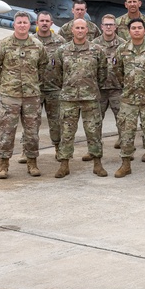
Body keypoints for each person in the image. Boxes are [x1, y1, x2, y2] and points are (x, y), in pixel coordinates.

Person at [0, 11, 48, 179]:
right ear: (14, 25)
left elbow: (43, 66)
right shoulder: (2, 45)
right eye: (19, 23)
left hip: (31, 96)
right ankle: (3, 165)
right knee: (7, 131)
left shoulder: (37, 45)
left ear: (30, 25)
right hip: (10, 95)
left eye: (25, 23)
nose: (22, 25)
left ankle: (32, 163)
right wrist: (4, 86)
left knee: (32, 132)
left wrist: (34, 84)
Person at [52, 18, 108, 178]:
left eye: (83, 28)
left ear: (87, 30)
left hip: (90, 98)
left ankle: (97, 163)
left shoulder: (97, 50)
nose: (80, 30)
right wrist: (67, 86)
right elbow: (56, 74)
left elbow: (102, 73)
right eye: (77, 28)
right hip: (68, 98)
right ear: (72, 30)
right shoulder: (62, 51)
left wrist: (92, 87)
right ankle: (64, 165)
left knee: (93, 131)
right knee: (66, 132)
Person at [112, 19, 145, 178]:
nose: (136, 30)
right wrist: (128, 85)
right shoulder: (122, 49)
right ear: (129, 31)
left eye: (139, 28)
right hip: (129, 99)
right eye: (133, 28)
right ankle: (125, 165)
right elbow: (117, 70)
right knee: (126, 133)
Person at [23, 10, 64, 166]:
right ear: (37, 23)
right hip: (35, 90)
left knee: (56, 122)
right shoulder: (30, 41)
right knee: (31, 122)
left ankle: (59, 149)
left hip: (54, 88)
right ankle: (26, 150)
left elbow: (65, 63)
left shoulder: (60, 41)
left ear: (51, 23)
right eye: (42, 21)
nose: (45, 23)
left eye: (47, 21)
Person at [93, 13, 124, 161]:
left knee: (122, 120)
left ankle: (125, 149)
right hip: (99, 89)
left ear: (115, 26)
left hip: (117, 88)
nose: (109, 27)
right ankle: (95, 149)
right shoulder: (94, 45)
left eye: (111, 24)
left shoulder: (123, 45)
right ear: (101, 26)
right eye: (106, 24)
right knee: (95, 121)